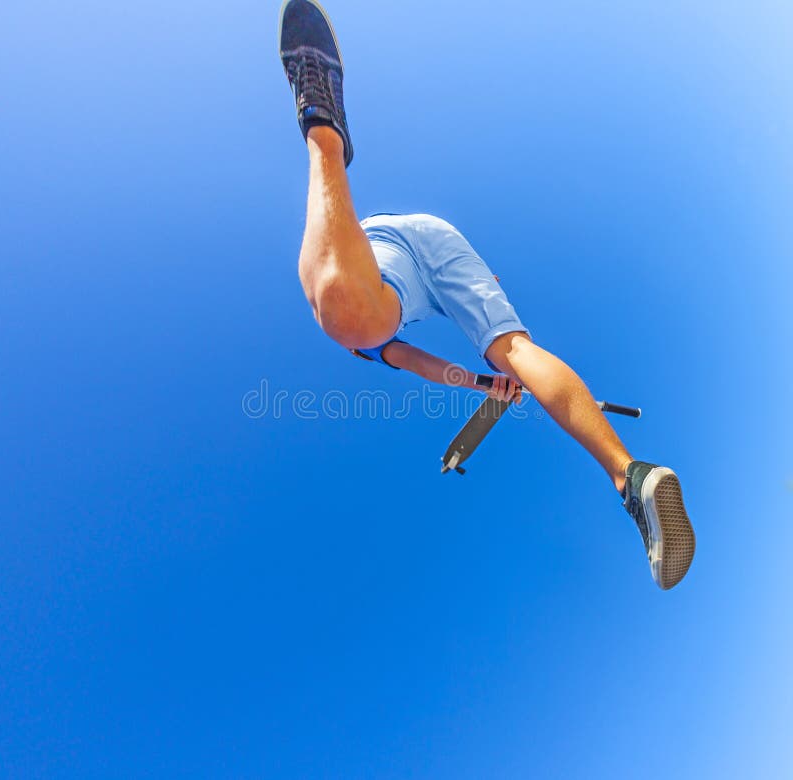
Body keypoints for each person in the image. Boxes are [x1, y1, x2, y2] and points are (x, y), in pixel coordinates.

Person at [278, 0, 695, 589]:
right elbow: (421, 362)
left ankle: (323, 131)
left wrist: (477, 384)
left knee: (348, 319)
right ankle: (632, 477)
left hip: (376, 245)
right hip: (432, 245)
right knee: (512, 351)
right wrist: (489, 381)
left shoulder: (367, 340)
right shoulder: (380, 334)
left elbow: (418, 364)